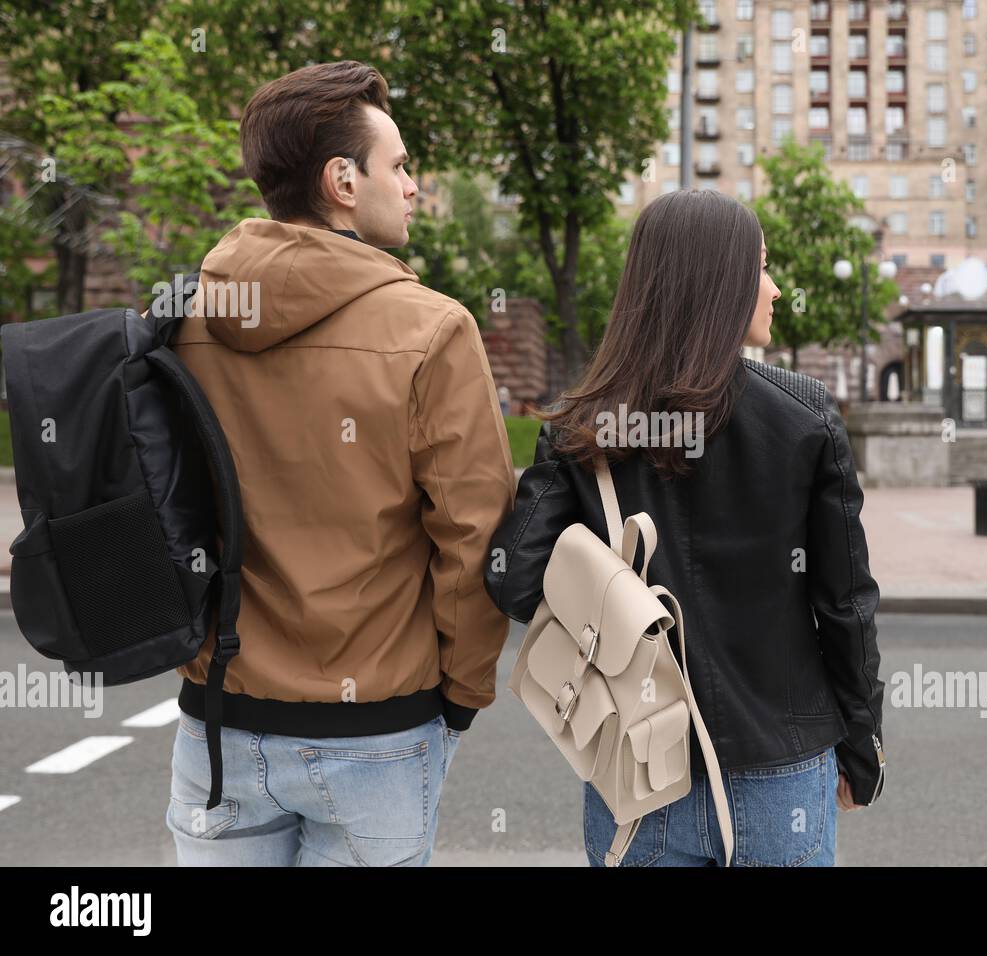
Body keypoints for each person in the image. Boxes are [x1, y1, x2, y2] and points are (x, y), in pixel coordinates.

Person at [164, 61, 516, 865]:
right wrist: (460, 698)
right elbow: (477, 540)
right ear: (342, 181)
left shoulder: (187, 318)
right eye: (398, 165)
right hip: (377, 733)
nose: (414, 184)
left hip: (217, 723)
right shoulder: (435, 330)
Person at [485, 189, 885, 867]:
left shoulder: (583, 426)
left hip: (637, 771)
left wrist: (611, 598)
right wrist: (862, 744)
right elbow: (845, 609)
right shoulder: (805, 417)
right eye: (760, 267)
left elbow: (514, 578)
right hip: (781, 768)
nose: (775, 288)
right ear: (722, 283)